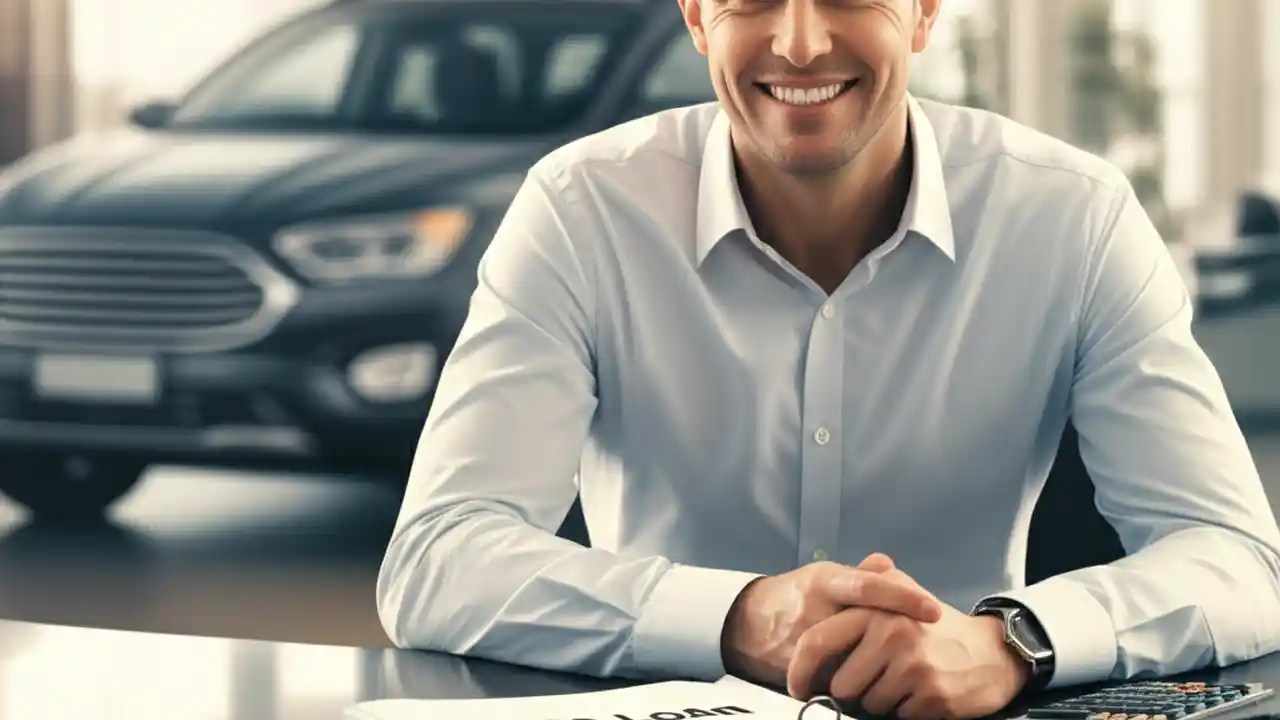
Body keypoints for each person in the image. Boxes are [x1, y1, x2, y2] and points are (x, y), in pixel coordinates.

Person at [376, 1, 1280, 718]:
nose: (800, 41)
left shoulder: (1074, 214)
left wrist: (1014, 642)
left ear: (924, 11)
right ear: (697, 15)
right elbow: (437, 560)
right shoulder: (582, 209)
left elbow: (1238, 559)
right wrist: (739, 618)